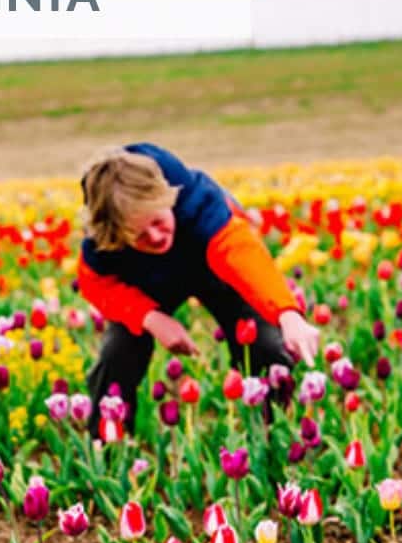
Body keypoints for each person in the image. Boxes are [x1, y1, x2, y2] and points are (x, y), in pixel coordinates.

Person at [78, 144, 320, 431]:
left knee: (264, 343)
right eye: (140, 234)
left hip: (210, 264)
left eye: (158, 221)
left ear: (169, 198)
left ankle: (272, 432)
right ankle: (107, 445)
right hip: (145, 280)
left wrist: (287, 313)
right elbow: (98, 286)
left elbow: (242, 255)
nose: (155, 237)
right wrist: (150, 318)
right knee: (118, 352)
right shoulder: (104, 239)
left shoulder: (200, 205)